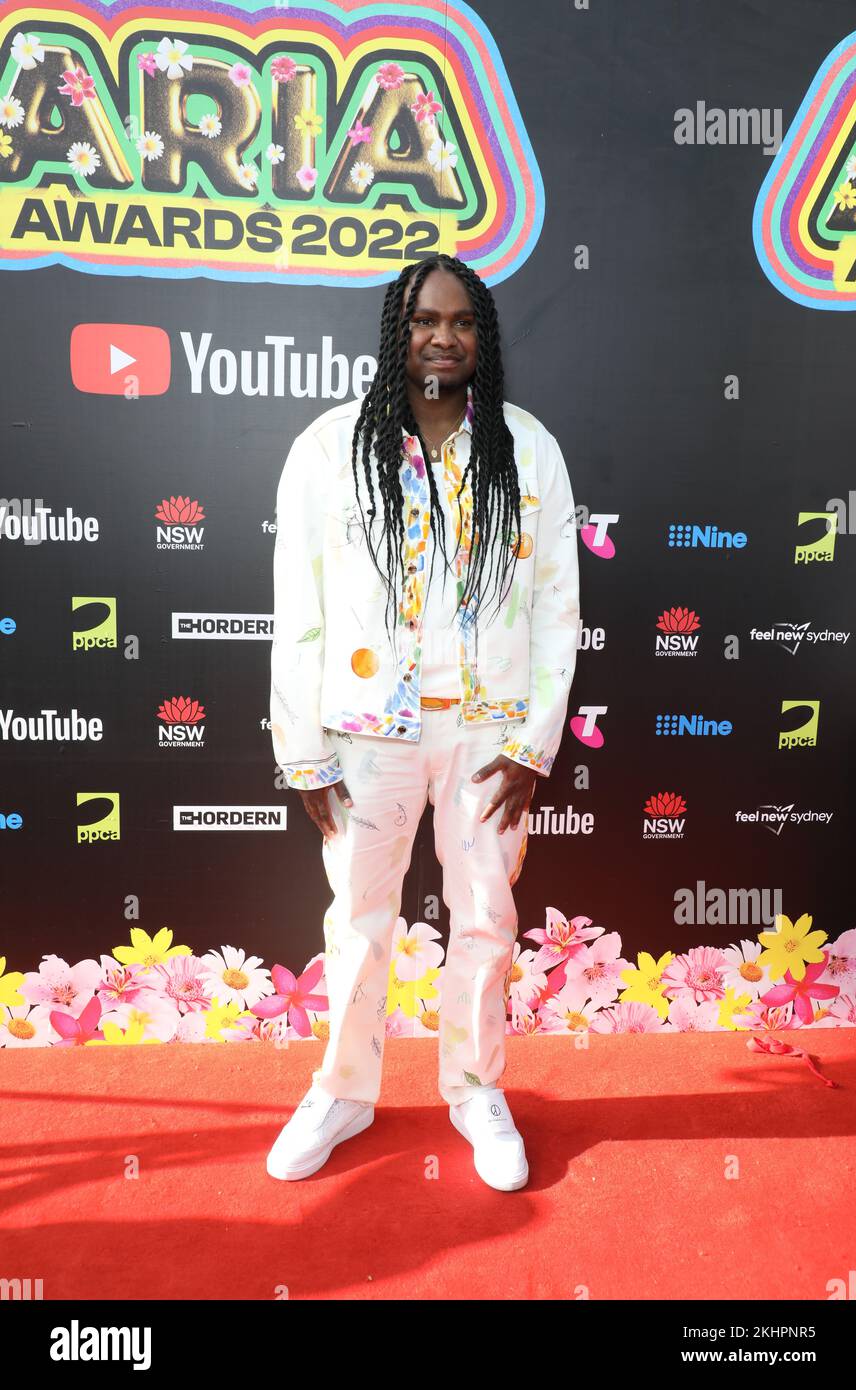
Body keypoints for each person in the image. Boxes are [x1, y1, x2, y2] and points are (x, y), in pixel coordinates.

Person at [266, 253, 580, 1190]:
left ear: (482, 337)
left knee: (486, 917)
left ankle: (477, 1086)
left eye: (461, 322)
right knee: (360, 921)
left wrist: (535, 743)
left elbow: (558, 604)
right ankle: (345, 1092)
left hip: (489, 733)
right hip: (369, 732)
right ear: (394, 334)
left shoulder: (528, 450)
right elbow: (299, 609)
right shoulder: (330, 450)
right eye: (423, 321)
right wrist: (304, 749)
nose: (442, 336)